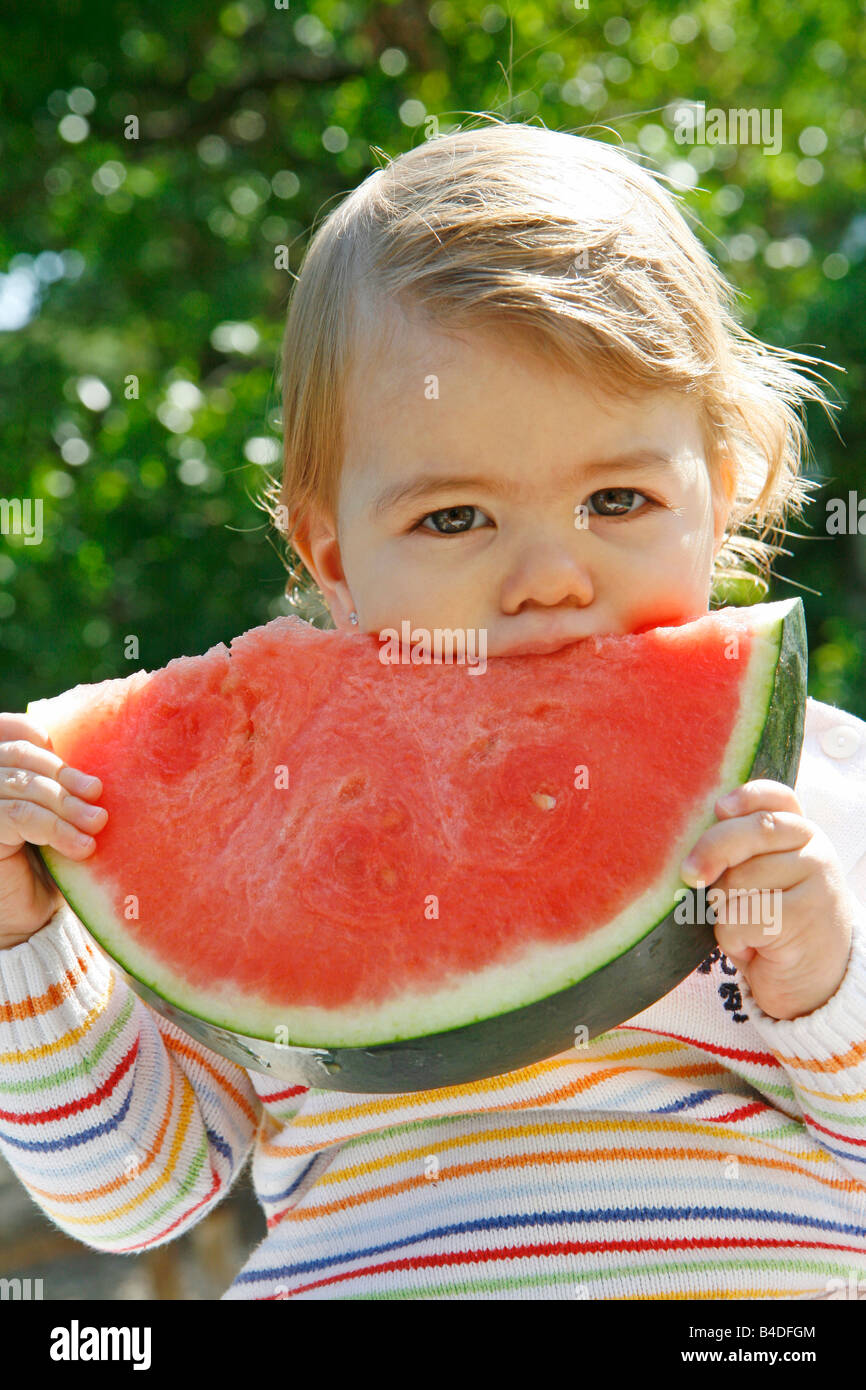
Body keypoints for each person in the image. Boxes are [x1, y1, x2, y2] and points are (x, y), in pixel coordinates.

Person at [2, 121, 865, 1301]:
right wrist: (22, 940)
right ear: (332, 554)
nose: (547, 577)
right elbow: (132, 1196)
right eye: (453, 518)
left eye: (616, 497)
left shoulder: (819, 788)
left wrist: (821, 979)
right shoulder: (267, 825)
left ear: (721, 499)